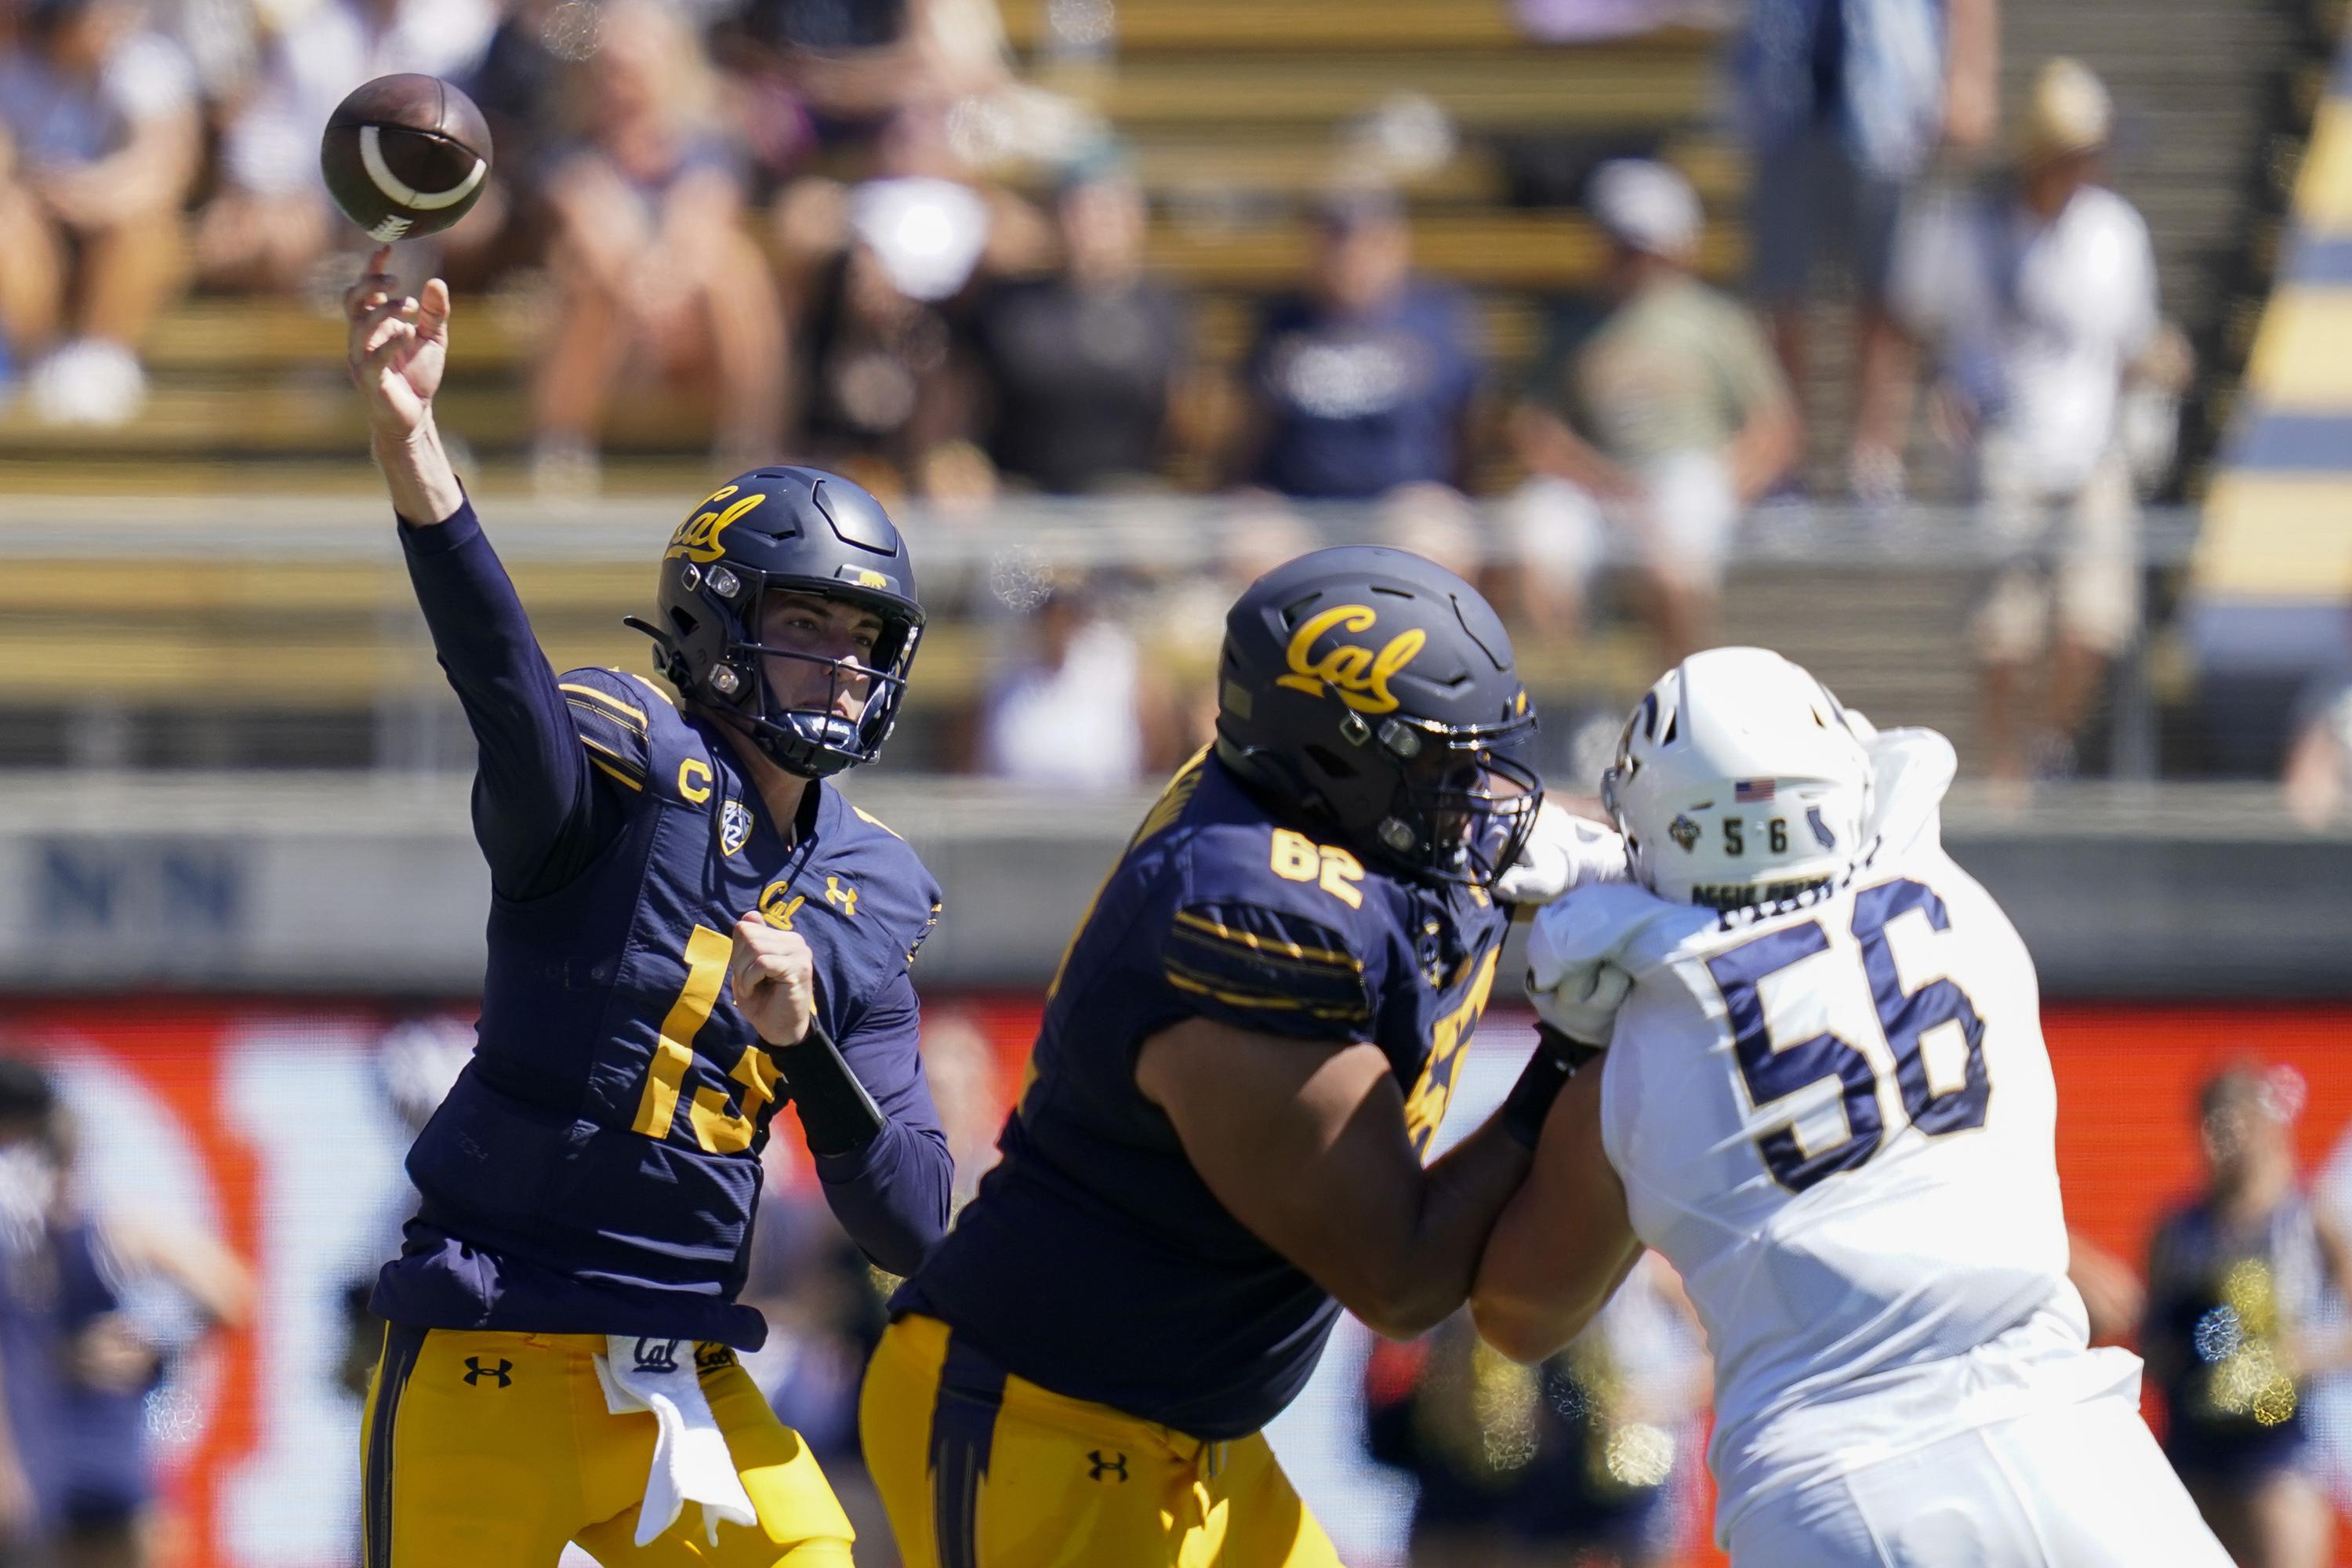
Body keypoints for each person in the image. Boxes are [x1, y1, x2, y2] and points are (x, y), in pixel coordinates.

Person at [343, 244, 954, 1565]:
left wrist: (808, 1050)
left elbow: (910, 1216)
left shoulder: (872, 883)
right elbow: (501, 682)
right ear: (714, 624)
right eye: (808, 626)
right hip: (487, 1348)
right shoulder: (626, 765)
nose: (844, 669)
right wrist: (417, 452)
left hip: (683, 1371)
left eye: (865, 641)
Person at [858, 546, 1618, 1566]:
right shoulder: (1247, 918)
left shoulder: (1314, 810)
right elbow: (1403, 1275)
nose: (1480, 794)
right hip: (1043, 1421)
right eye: (1445, 766)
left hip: (1191, 1433)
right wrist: (1571, 1056)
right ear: (1342, 758)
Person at [1469, 646, 2234, 1566]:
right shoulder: (1963, 904)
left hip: (1834, 1489)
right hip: (2074, 1447)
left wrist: (1573, 1038)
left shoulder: (1640, 1040)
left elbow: (1519, 1311)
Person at [1890, 57, 2184, 786]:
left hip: (2092, 447)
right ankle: (2004, 779)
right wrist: (1933, 397)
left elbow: (2135, 345)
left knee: (2093, 626)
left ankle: (2047, 746)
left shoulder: (2114, 231)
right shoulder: (1968, 226)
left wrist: (2161, 379)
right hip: (2003, 442)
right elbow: (1918, 325)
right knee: (2003, 637)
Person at [1509, 159, 1798, 662]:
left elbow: (1773, 429)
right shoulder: (1573, 324)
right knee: (1534, 546)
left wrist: (1726, 487)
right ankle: (1575, 707)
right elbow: (1535, 428)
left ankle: (1675, 695)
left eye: (1645, 246)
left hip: (1690, 473)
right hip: (1593, 484)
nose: (1635, 259)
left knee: (1675, 557)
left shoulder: (1717, 322)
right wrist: (1604, 481)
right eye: (1624, 244)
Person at [1733, 0, 1998, 499]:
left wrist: (1970, 73)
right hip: (1781, 95)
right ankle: (1786, 462)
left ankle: (1875, 462)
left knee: (1887, 294)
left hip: (1888, 98)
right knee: (1784, 298)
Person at [530, 0, 786, 496]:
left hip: (691, 331)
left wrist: (660, 292)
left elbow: (701, 226)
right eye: (609, 71)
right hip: (611, 334)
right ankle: (563, 447)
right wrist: (643, 293)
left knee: (733, 268)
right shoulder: (572, 154)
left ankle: (750, 449)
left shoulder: (708, 149)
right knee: (583, 269)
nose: (618, 85)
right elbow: (596, 231)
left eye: (630, 71)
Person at [2144, 1064, 2352, 1568]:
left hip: (2278, 1456)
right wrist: (2191, 1358)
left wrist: (2296, 1356)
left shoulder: (2307, 1219)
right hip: (2193, 1452)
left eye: (2236, 1123)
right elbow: (2152, 1336)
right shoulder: (2180, 1229)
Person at [195, 0, 495, 292]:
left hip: (435, 201)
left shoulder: (472, 29)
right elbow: (269, 146)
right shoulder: (307, 27)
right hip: (321, 203)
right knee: (280, 236)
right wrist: (290, 198)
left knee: (474, 225)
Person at [0, 0, 198, 426]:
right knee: (6, 218)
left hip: (115, 221)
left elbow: (168, 167)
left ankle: (105, 355)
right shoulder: (14, 69)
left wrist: (97, 195)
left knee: (149, 223)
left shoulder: (147, 62)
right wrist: (41, 191)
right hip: (38, 226)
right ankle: (41, 359)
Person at [964, 151, 1192, 494]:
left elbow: (1188, 419)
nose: (1092, 223)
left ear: (1136, 217)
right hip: (1019, 493)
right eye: (1078, 209)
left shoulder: (1164, 308)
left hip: (1126, 494)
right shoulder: (1010, 307)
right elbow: (959, 408)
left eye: (1107, 209)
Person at [1236, 187, 1484, 499]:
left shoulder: (1437, 317)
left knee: (1429, 529)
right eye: (1335, 243)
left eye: (1369, 242)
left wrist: (1463, 495)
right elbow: (1251, 426)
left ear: (1398, 245)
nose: (1351, 257)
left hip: (1408, 500)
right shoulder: (1282, 321)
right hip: (1296, 504)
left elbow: (1466, 423)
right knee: (1252, 533)